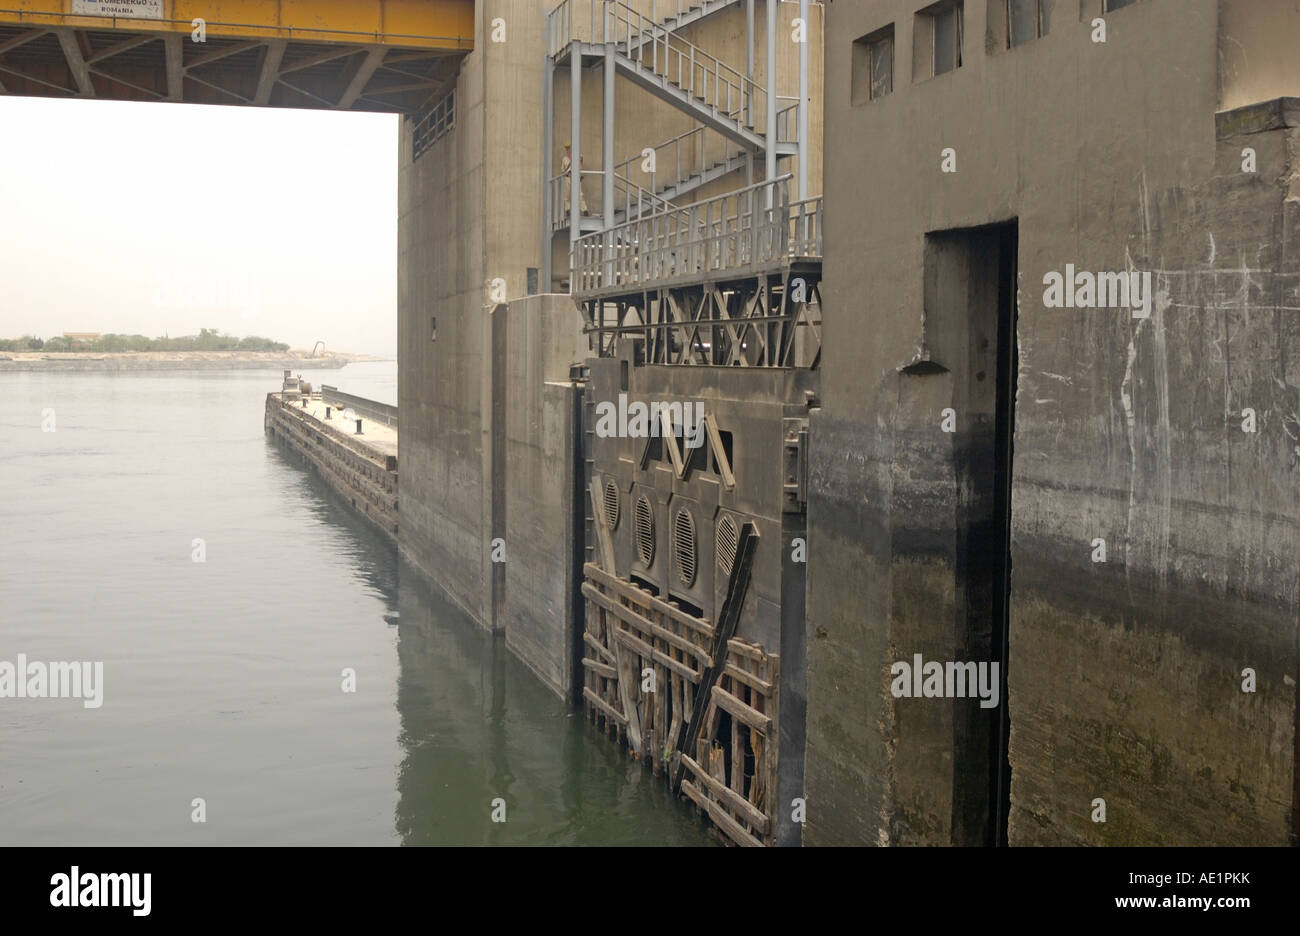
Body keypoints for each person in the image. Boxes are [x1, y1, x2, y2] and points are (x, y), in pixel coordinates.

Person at [560, 141, 588, 216]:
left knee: (579, 195)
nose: (568, 150)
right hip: (568, 178)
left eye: (569, 149)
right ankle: (568, 211)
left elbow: (580, 166)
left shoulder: (579, 156)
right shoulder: (564, 159)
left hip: (576, 178)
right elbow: (562, 170)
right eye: (567, 149)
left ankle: (585, 210)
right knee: (566, 196)